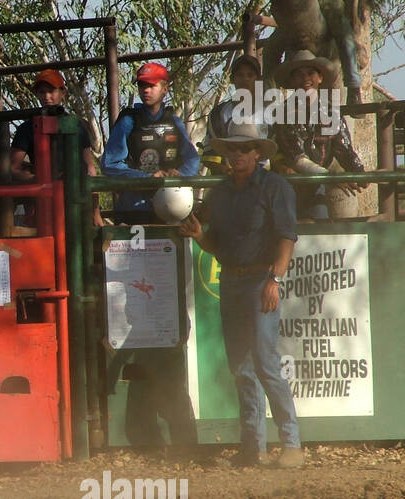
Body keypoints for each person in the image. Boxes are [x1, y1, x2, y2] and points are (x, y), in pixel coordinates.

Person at [180, 121, 303, 467]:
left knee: (264, 362)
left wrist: (274, 280)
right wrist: (199, 235)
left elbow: (286, 236)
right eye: (232, 149)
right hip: (232, 281)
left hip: (260, 280)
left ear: (257, 154)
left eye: (244, 149)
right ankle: (254, 449)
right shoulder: (219, 193)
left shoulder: (274, 187)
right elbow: (216, 244)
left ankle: (291, 444)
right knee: (241, 366)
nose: (237, 155)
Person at [270, 48, 368, 220]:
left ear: (320, 78)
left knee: (320, 225)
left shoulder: (331, 111)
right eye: (299, 75)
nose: (305, 79)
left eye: (310, 73)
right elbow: (297, 158)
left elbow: (344, 148)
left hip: (316, 185)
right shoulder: (284, 112)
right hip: (287, 185)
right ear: (292, 81)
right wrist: (331, 177)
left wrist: (359, 172)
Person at [101, 62, 200, 222]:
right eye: (142, 85)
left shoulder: (174, 121)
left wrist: (180, 175)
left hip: (172, 209)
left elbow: (193, 159)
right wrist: (144, 177)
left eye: (151, 85)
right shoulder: (128, 121)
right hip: (135, 209)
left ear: (165, 89)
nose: (146, 90)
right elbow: (110, 164)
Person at [10, 67, 102, 227]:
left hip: (77, 199)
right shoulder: (27, 128)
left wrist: (95, 212)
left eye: (51, 91)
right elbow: (13, 168)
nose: (46, 96)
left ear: (63, 93)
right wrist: (42, 181)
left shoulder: (77, 125)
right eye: (41, 92)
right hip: (45, 204)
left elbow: (90, 168)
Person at [203, 55, 263, 175]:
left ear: (258, 80)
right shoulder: (218, 113)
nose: (245, 79)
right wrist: (227, 172)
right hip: (230, 183)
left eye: (250, 75)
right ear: (232, 79)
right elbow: (210, 156)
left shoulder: (271, 112)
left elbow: (277, 155)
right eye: (240, 75)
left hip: (264, 184)